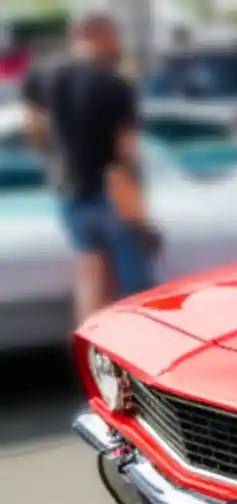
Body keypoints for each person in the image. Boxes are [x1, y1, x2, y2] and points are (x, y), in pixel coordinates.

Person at [21, 13, 158, 322]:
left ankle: (91, 345)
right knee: (135, 287)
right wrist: (139, 215)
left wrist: (57, 160)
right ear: (102, 36)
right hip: (112, 192)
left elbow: (33, 128)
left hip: (69, 190)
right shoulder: (115, 83)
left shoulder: (42, 74)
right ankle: (134, 345)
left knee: (91, 276)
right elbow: (126, 153)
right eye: (114, 38)